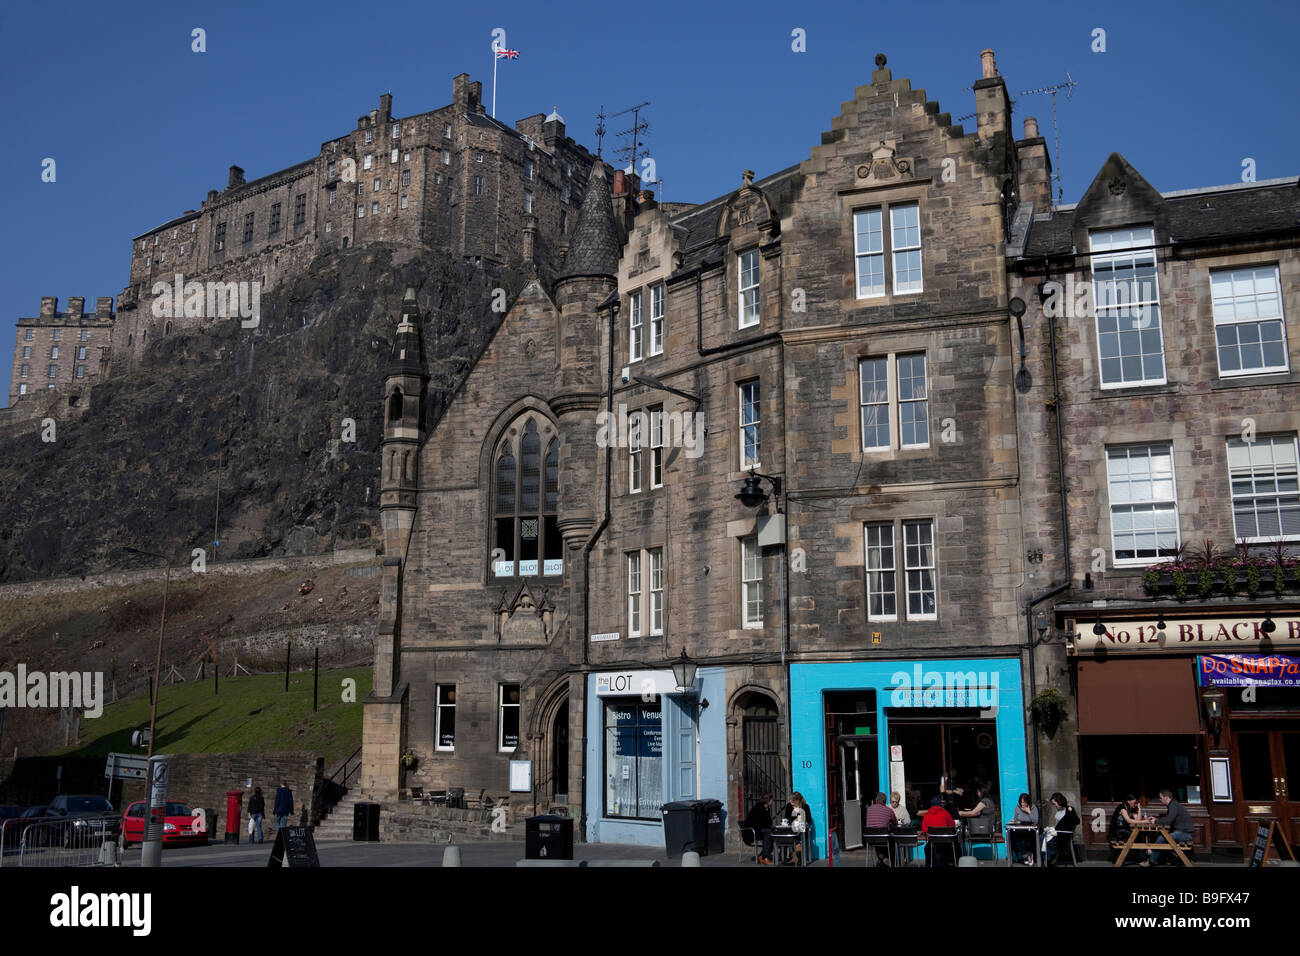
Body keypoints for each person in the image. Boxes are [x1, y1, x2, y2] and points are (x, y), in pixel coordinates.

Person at [1142, 789, 1193, 866]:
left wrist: (1156, 822)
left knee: (1161, 838)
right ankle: (1168, 856)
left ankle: (1151, 861)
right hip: (1182, 832)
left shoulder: (1173, 805)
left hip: (1185, 834)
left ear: (1166, 798)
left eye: (1160, 798)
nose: (1160, 800)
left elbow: (1169, 820)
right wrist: (1157, 819)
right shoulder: (1173, 805)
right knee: (1163, 838)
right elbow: (1168, 818)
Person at [1043, 792, 1079, 866]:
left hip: (1064, 835)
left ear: (1059, 802)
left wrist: (1071, 812)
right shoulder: (1057, 812)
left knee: (1045, 838)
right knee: (1041, 836)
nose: (1054, 805)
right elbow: (1056, 825)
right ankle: (1046, 858)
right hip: (1057, 832)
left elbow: (1076, 821)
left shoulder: (1069, 810)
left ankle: (1050, 857)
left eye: (1055, 803)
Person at [921, 795, 957, 866]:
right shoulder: (945, 813)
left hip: (933, 842)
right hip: (945, 841)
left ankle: (930, 864)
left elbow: (924, 830)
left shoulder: (926, 815)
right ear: (940, 804)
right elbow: (952, 825)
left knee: (927, 847)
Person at [864, 792, 898, 865]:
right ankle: (892, 862)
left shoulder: (869, 809)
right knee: (891, 839)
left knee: (877, 837)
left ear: (876, 800)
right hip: (884, 838)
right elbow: (895, 823)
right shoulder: (889, 810)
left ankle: (883, 859)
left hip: (871, 839)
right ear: (885, 801)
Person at [1109, 794, 1142, 862]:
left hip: (1123, 831)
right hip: (1116, 832)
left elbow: (1138, 821)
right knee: (1135, 835)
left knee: (1139, 834)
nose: (1135, 804)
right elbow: (1128, 820)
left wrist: (1139, 808)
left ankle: (1142, 855)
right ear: (1128, 801)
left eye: (1136, 803)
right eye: (1135, 802)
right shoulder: (1122, 807)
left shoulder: (1131, 809)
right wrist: (1146, 822)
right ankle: (1141, 856)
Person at [744, 793, 775, 865]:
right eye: (771, 800)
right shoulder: (759, 807)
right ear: (768, 800)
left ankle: (762, 855)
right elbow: (760, 822)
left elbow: (768, 822)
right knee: (769, 833)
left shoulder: (766, 808)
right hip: (752, 831)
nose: (772, 801)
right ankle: (765, 857)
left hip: (760, 829)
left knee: (772, 833)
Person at [1008, 793, 1038, 864]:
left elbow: (1035, 821)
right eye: (1021, 802)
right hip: (1020, 829)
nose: (1023, 804)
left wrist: (1029, 812)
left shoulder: (1033, 808)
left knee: (1029, 839)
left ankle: (1028, 855)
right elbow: (1016, 819)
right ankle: (1026, 854)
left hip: (1030, 829)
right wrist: (1014, 821)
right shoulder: (1017, 807)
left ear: (1028, 802)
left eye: (1024, 802)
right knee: (1013, 836)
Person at [788, 792, 808, 864]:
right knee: (791, 836)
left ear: (797, 801)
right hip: (792, 828)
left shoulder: (805, 807)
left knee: (798, 837)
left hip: (802, 829)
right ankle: (795, 857)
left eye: (792, 800)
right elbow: (787, 818)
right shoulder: (789, 807)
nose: (790, 802)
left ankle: (796, 857)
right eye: (790, 800)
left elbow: (808, 820)